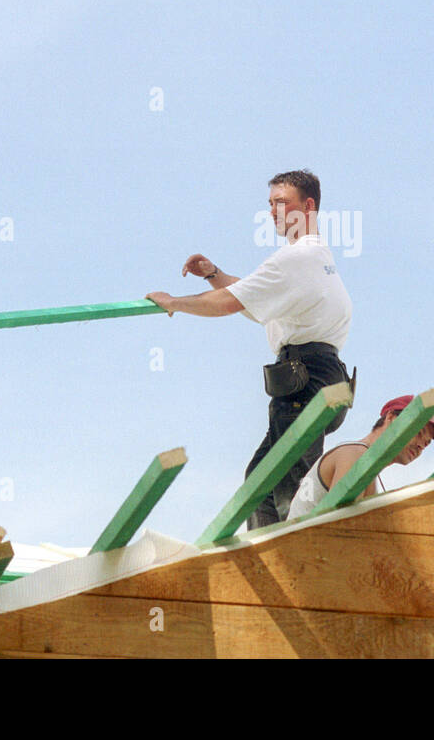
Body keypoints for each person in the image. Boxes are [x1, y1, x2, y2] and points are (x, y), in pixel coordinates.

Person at [146, 170, 352, 529]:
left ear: (308, 206)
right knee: (260, 481)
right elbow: (248, 296)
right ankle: (269, 556)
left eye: (281, 202)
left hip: (306, 381)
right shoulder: (315, 258)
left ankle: (295, 557)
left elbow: (228, 303)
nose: (273, 212)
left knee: (287, 491)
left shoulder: (296, 259)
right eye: (270, 204)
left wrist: (173, 302)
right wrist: (214, 274)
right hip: (322, 378)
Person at [287, 395, 434, 520]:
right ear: (391, 418)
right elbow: (341, 530)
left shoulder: (368, 468)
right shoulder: (355, 455)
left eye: (426, 443)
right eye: (418, 433)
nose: (420, 446)